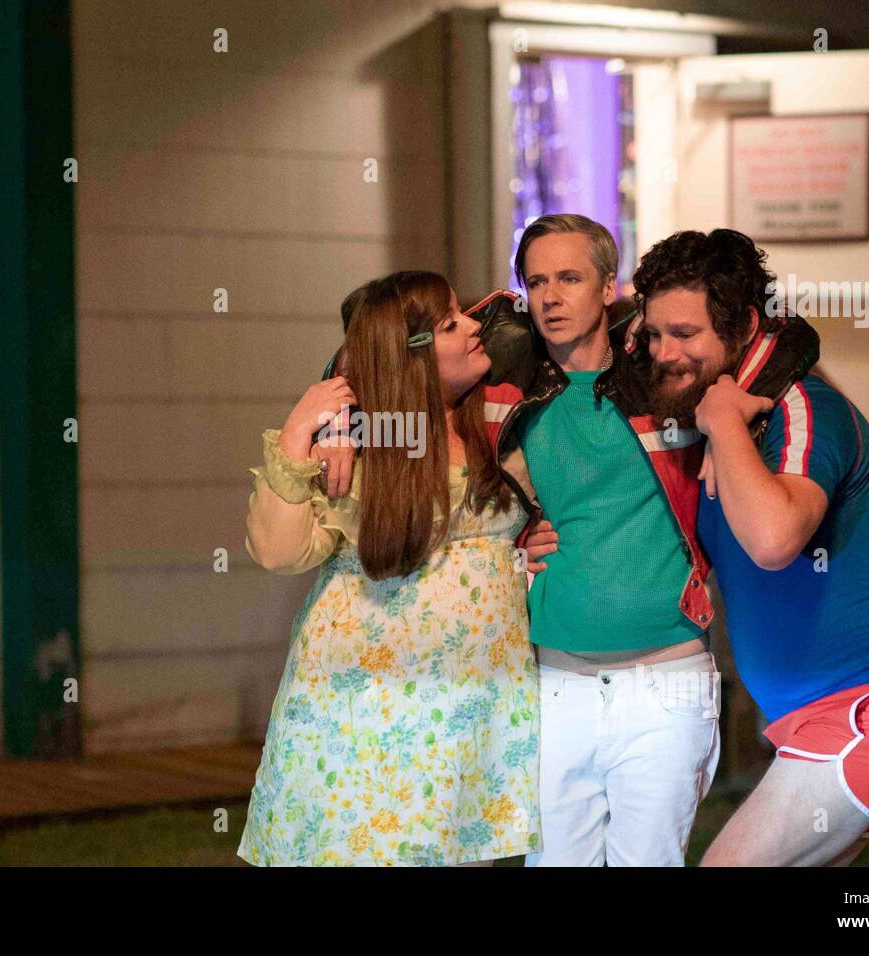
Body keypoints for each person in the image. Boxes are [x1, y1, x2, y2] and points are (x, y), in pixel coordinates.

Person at [320, 215, 750, 865]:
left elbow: (780, 343)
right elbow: (373, 349)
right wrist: (337, 422)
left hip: (667, 681)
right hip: (552, 679)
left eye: (571, 278)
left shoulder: (665, 368)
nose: (551, 295)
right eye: (537, 280)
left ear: (610, 287)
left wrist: (733, 431)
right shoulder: (504, 379)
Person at [629, 228, 869, 865]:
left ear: (745, 326)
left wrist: (724, 418)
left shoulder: (805, 409)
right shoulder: (708, 422)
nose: (665, 353)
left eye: (686, 335)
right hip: (816, 716)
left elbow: (776, 541)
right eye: (654, 334)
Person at [238, 270, 540, 867]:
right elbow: (278, 552)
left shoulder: (502, 412)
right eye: (452, 324)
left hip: (475, 703)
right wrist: (302, 431)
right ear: (414, 358)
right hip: (370, 709)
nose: (475, 326)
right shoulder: (359, 441)